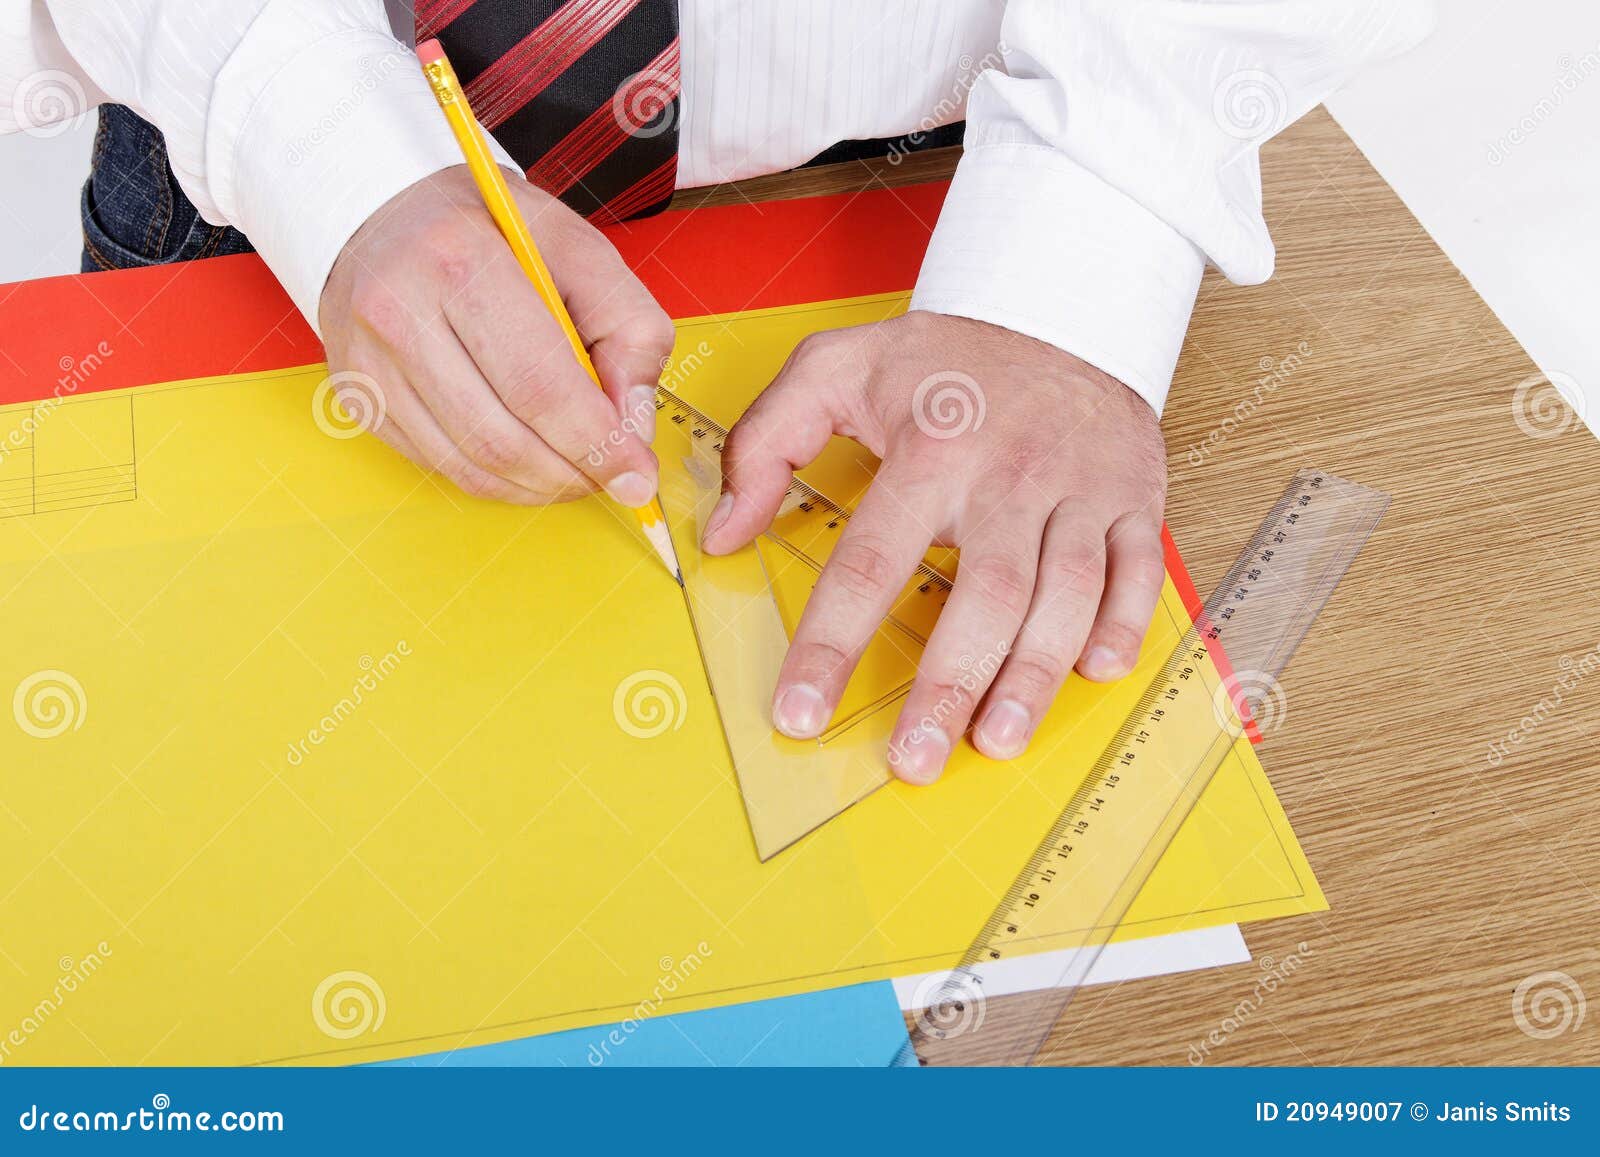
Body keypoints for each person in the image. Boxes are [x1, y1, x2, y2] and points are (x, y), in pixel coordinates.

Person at [1, 0, 1432, 783]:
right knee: (209, 782)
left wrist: (1076, 244)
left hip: (966, 166)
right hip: (272, 154)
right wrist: (320, 147)